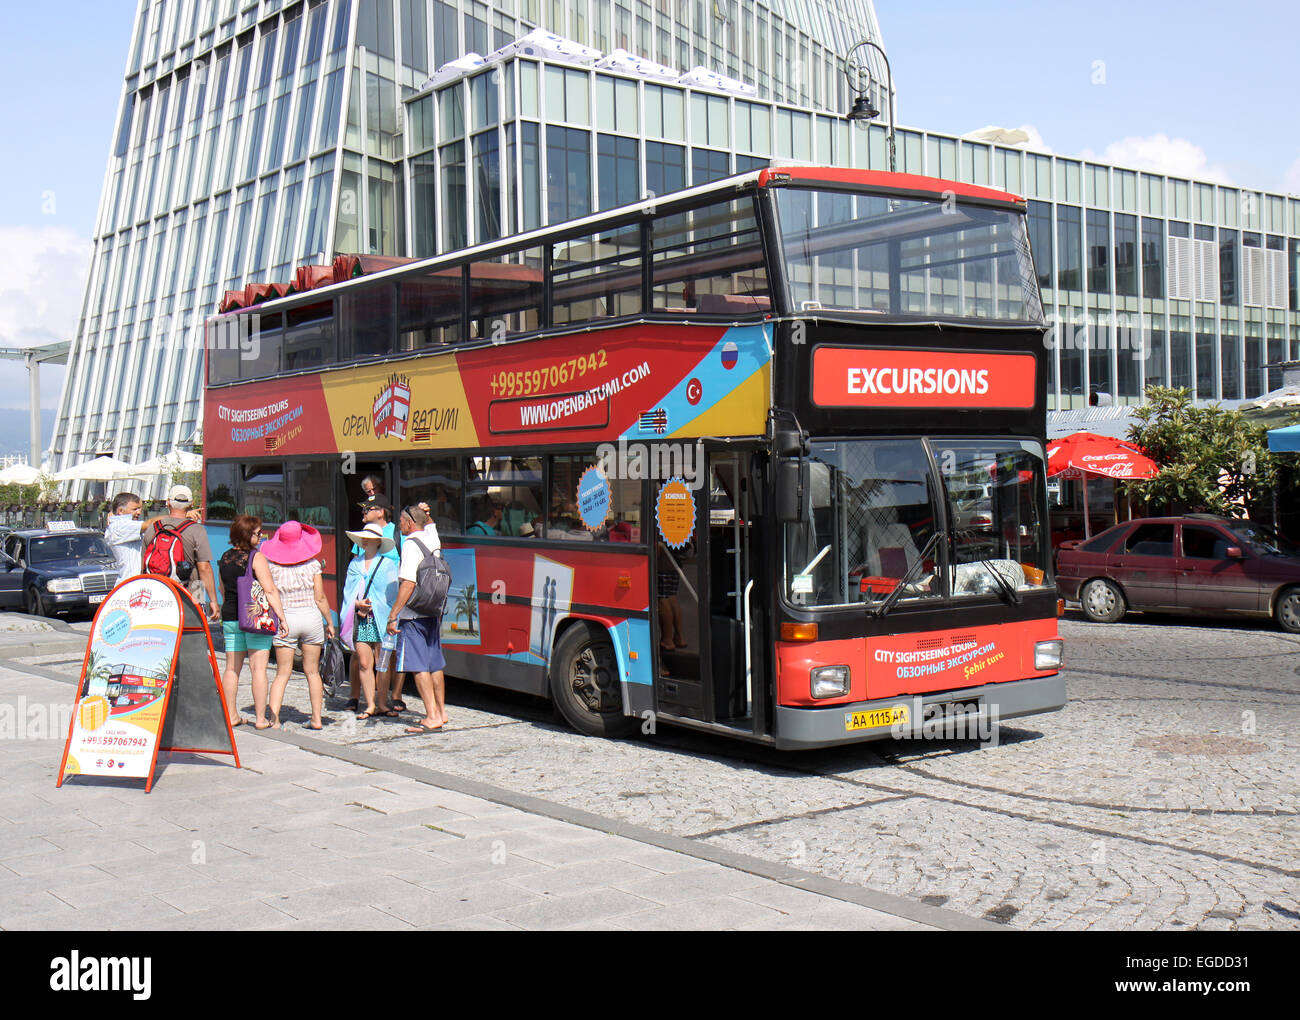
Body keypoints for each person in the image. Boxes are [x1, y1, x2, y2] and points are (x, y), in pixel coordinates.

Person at [259, 520, 335, 729]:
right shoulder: (313, 565)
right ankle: (317, 719)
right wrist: (329, 622)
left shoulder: (271, 567)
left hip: (286, 620)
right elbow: (320, 597)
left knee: (283, 672)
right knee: (312, 672)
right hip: (310, 618)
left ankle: (274, 720)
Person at [217, 515, 288, 729]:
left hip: (230, 616)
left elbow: (222, 589)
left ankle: (231, 715)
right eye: (258, 533)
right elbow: (269, 590)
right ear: (248, 535)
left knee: (231, 668)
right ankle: (260, 718)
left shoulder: (225, 557)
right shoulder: (256, 558)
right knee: (258, 668)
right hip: (255, 617)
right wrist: (281, 617)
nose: (261, 536)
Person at [387, 504, 448, 734]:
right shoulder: (432, 538)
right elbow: (430, 523)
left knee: (419, 666)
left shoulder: (411, 545)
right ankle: (442, 711)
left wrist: (394, 615)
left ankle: (431, 716)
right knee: (435, 664)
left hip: (413, 615)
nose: (399, 524)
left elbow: (408, 584)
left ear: (409, 523)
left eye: (401, 520)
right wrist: (428, 511)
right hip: (433, 611)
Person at [340, 522, 400, 720]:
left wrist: (377, 606)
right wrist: (358, 604)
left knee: (382, 663)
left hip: (381, 620)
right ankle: (370, 704)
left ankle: (382, 703)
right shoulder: (354, 564)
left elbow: (392, 596)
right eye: (363, 538)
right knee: (365, 663)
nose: (364, 541)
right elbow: (348, 594)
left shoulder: (388, 565)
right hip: (361, 619)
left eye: (368, 538)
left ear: (377, 542)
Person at [142, 485, 219, 622]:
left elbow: (143, 565)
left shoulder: (153, 528)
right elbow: (204, 568)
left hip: (158, 589)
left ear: (168, 502)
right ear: (191, 504)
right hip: (193, 588)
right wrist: (213, 600)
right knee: (193, 632)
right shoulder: (197, 530)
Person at [103, 491, 143, 576]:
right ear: (120, 511)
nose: (139, 512)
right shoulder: (118, 526)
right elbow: (149, 524)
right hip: (130, 582)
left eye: (140, 509)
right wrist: (174, 517)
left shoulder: (130, 525)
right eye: (135, 509)